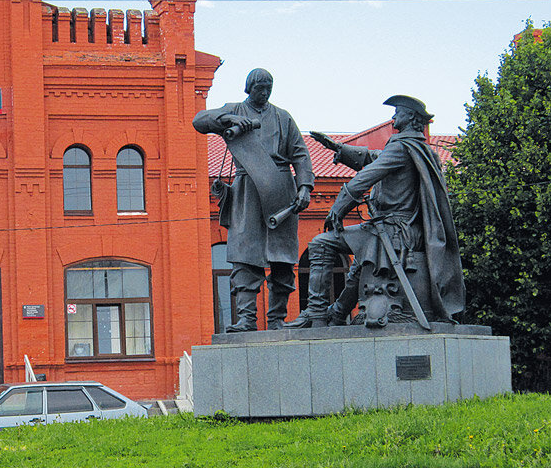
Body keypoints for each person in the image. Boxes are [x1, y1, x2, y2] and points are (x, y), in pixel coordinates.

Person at [286, 95, 464, 328]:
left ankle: (316, 314)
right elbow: (373, 158)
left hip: (394, 229)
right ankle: (338, 313)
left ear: (410, 117)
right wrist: (338, 147)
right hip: (403, 228)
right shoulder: (417, 148)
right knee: (360, 264)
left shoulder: (401, 146)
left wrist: (338, 208)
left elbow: (367, 175)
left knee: (321, 243)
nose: (393, 117)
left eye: (397, 112)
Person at [193, 68, 314, 331]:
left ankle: (277, 319)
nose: (265, 91)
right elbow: (200, 121)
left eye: (269, 86)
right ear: (249, 87)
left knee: (282, 258)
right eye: (260, 86)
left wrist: (304, 186)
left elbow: (301, 155)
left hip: (281, 190)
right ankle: (247, 320)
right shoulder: (236, 109)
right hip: (247, 190)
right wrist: (228, 120)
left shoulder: (283, 118)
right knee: (245, 255)